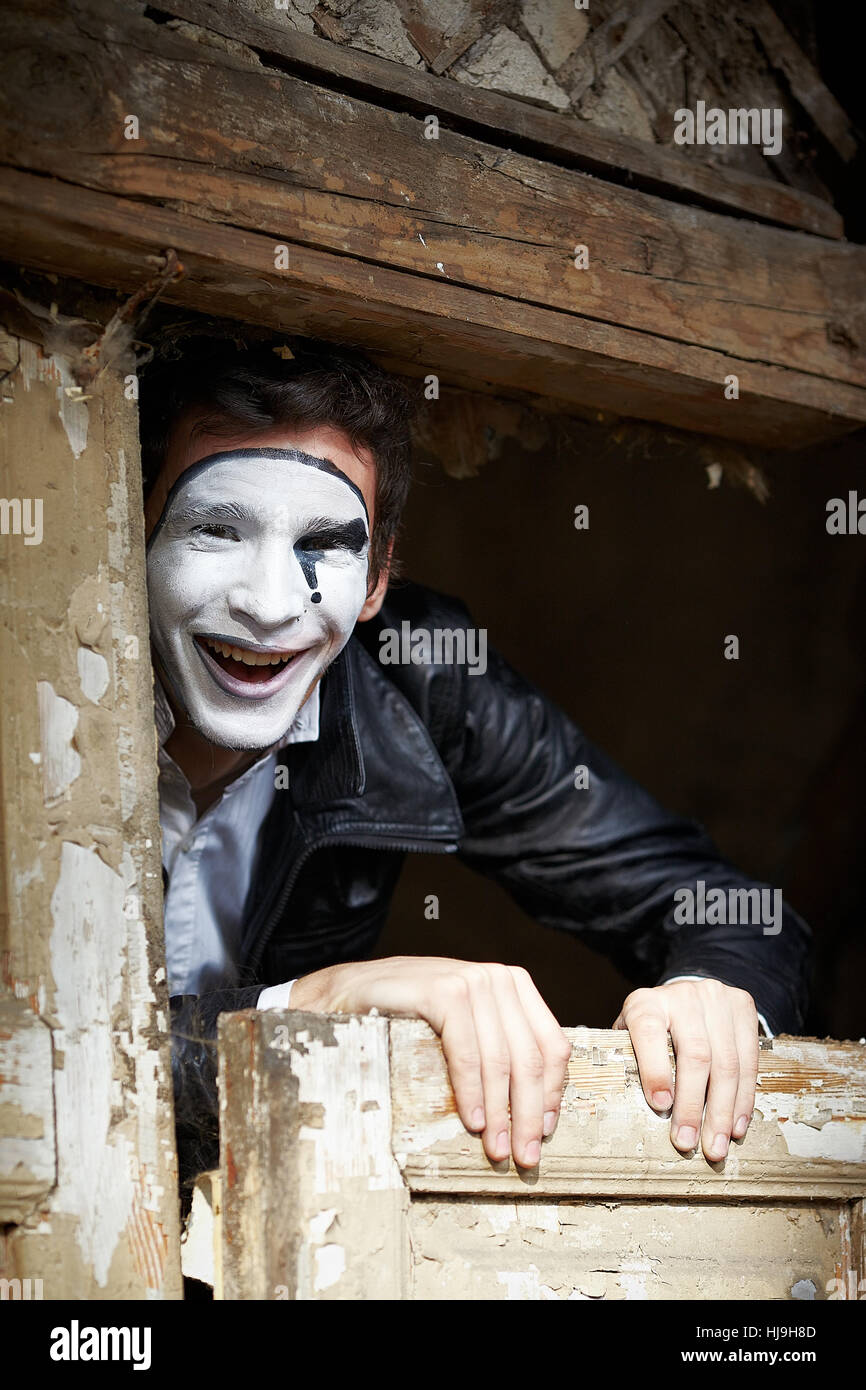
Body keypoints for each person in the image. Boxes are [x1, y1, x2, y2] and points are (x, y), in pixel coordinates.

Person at [139, 336, 811, 1194]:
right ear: (128, 524)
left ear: (379, 577)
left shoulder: (418, 679)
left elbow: (738, 911)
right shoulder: (37, 691)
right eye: (215, 530)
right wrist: (308, 1007)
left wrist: (712, 989)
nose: (269, 605)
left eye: (327, 546)